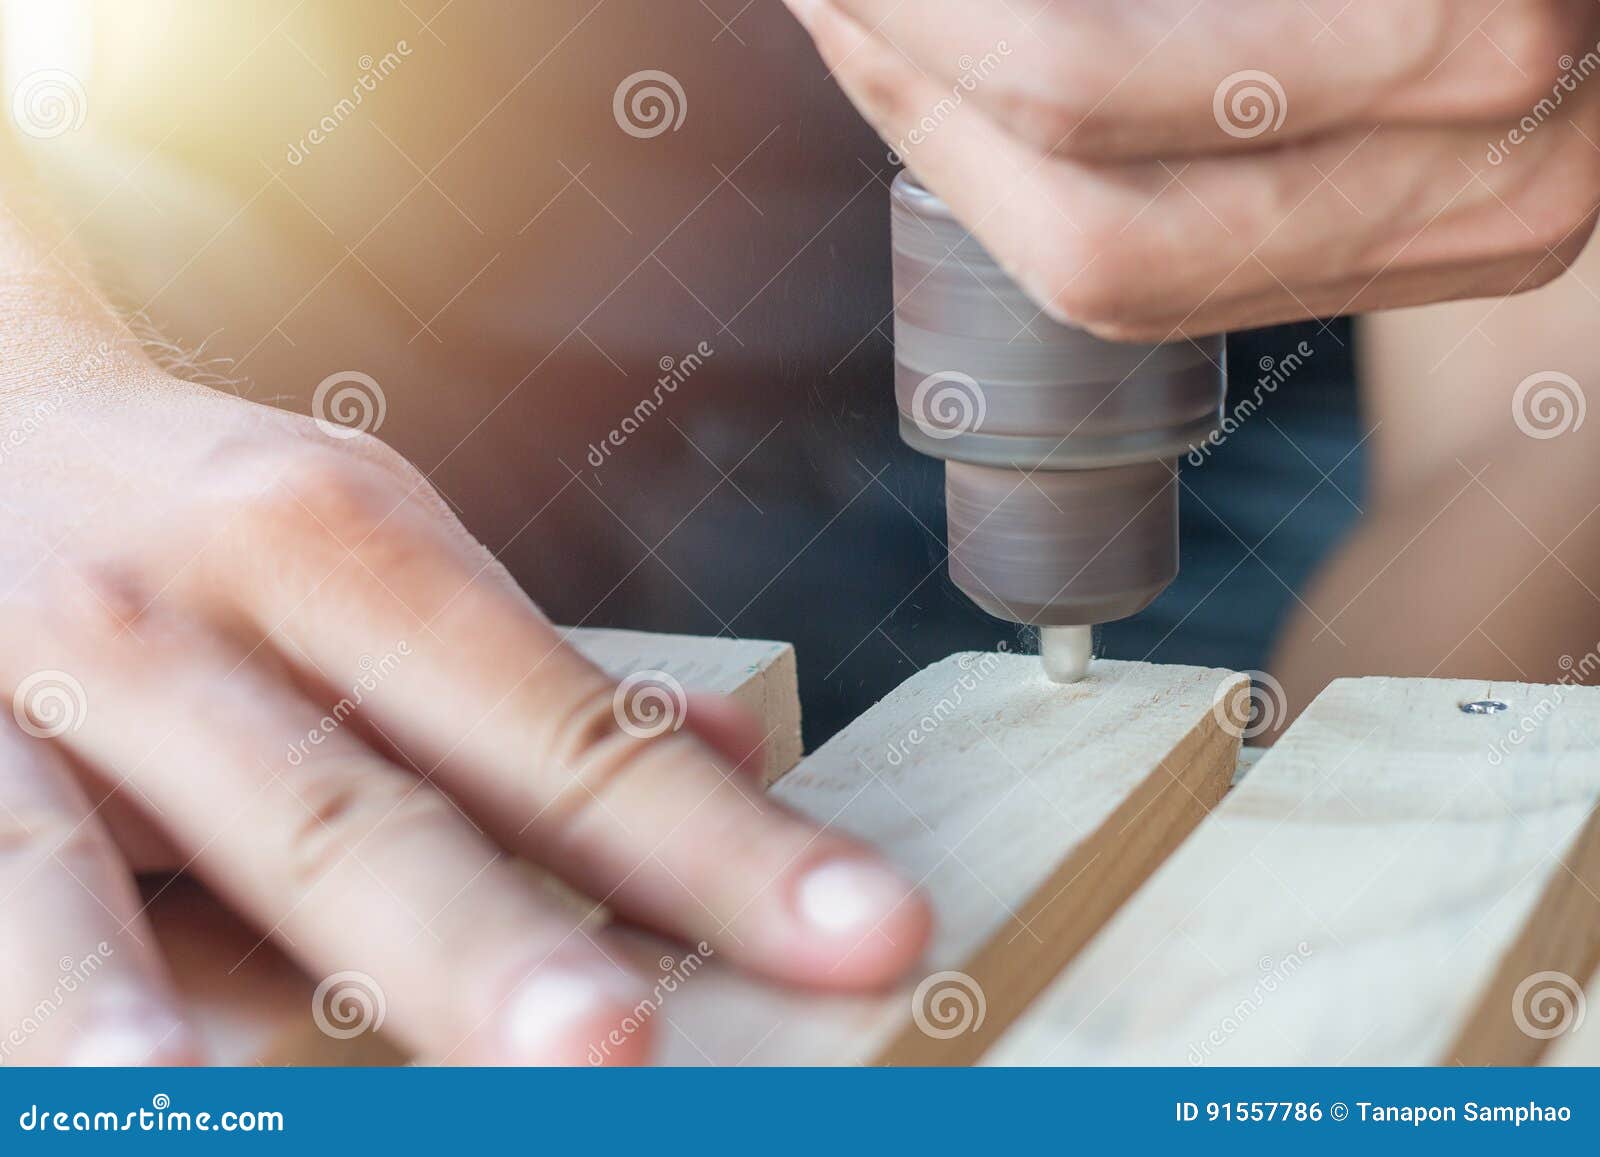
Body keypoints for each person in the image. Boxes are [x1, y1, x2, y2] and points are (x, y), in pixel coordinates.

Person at [1, 0, 1595, 1065]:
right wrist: (33, 391)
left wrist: (1367, 923)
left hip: (1268, 403)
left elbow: (1517, 435)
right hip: (253, 331)